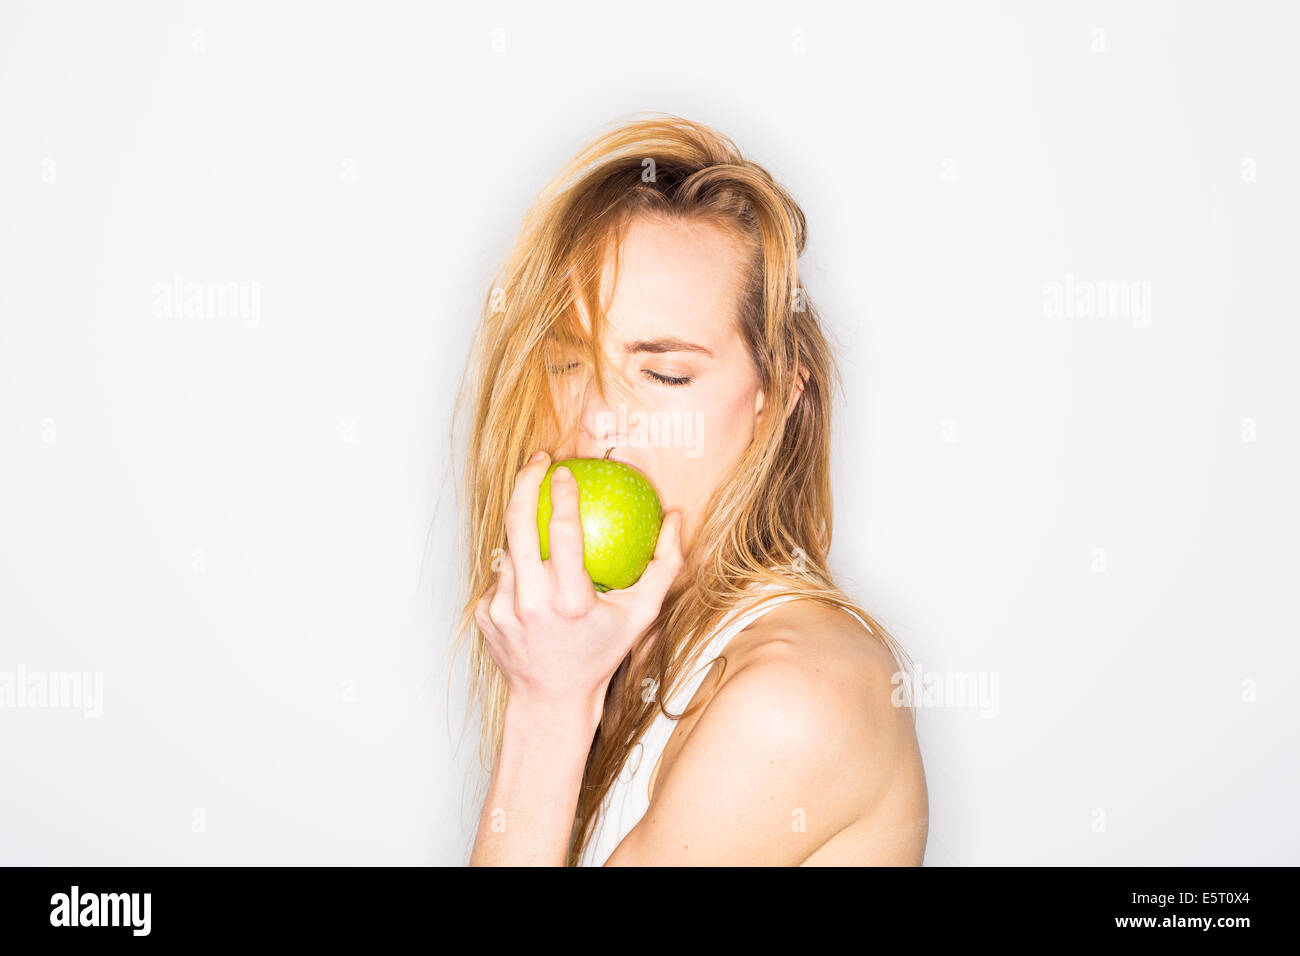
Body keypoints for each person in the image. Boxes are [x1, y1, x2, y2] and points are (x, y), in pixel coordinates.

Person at [455, 114, 928, 865]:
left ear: (775, 397)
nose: (598, 421)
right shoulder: (625, 644)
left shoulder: (794, 699)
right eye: (569, 362)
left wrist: (547, 708)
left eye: (664, 372)